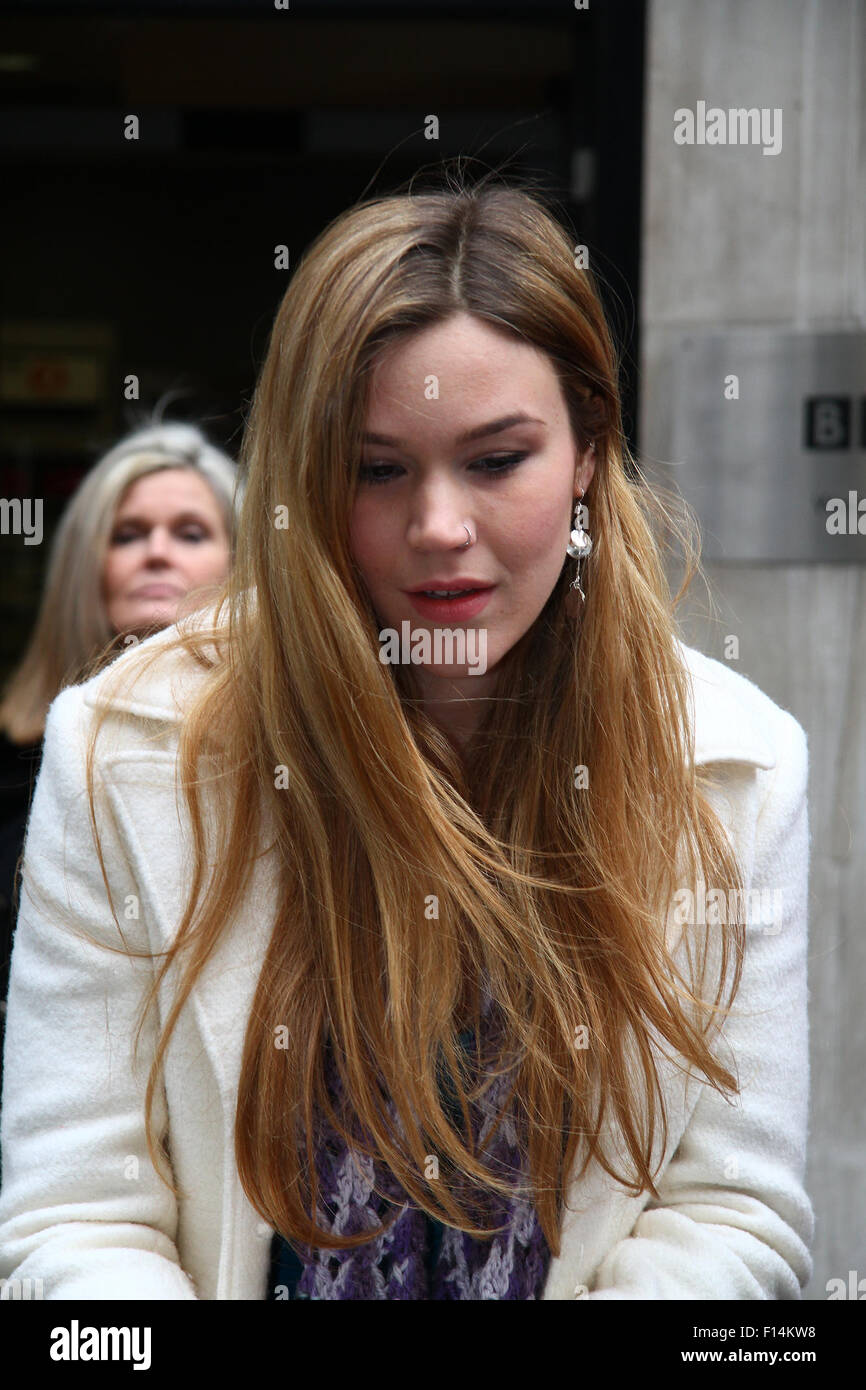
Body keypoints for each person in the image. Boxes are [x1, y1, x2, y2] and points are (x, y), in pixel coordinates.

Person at [0, 175, 813, 1300]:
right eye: (377, 469)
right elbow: (73, 1217)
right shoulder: (121, 750)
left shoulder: (735, 767)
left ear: (584, 453)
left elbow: (733, 1212)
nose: (439, 528)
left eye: (494, 461)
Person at [0, 422, 241, 1113]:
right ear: (87, 565)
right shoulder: (19, 765)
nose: (157, 553)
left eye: (191, 534)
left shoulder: (285, 760)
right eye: (129, 534)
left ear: (241, 563)